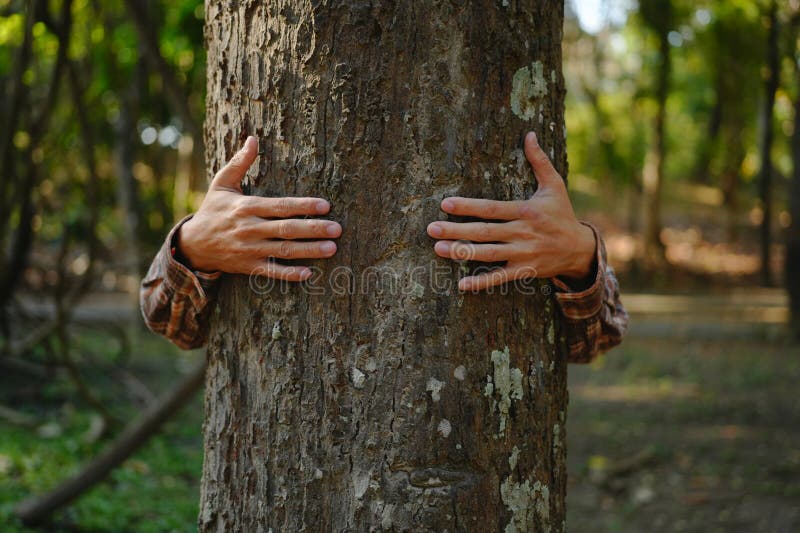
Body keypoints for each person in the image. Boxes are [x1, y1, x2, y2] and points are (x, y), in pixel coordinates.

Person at [140, 132, 627, 362]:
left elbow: (597, 342)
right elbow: (172, 327)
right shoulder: (213, 236)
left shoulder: (555, 240)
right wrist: (190, 248)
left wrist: (581, 259)